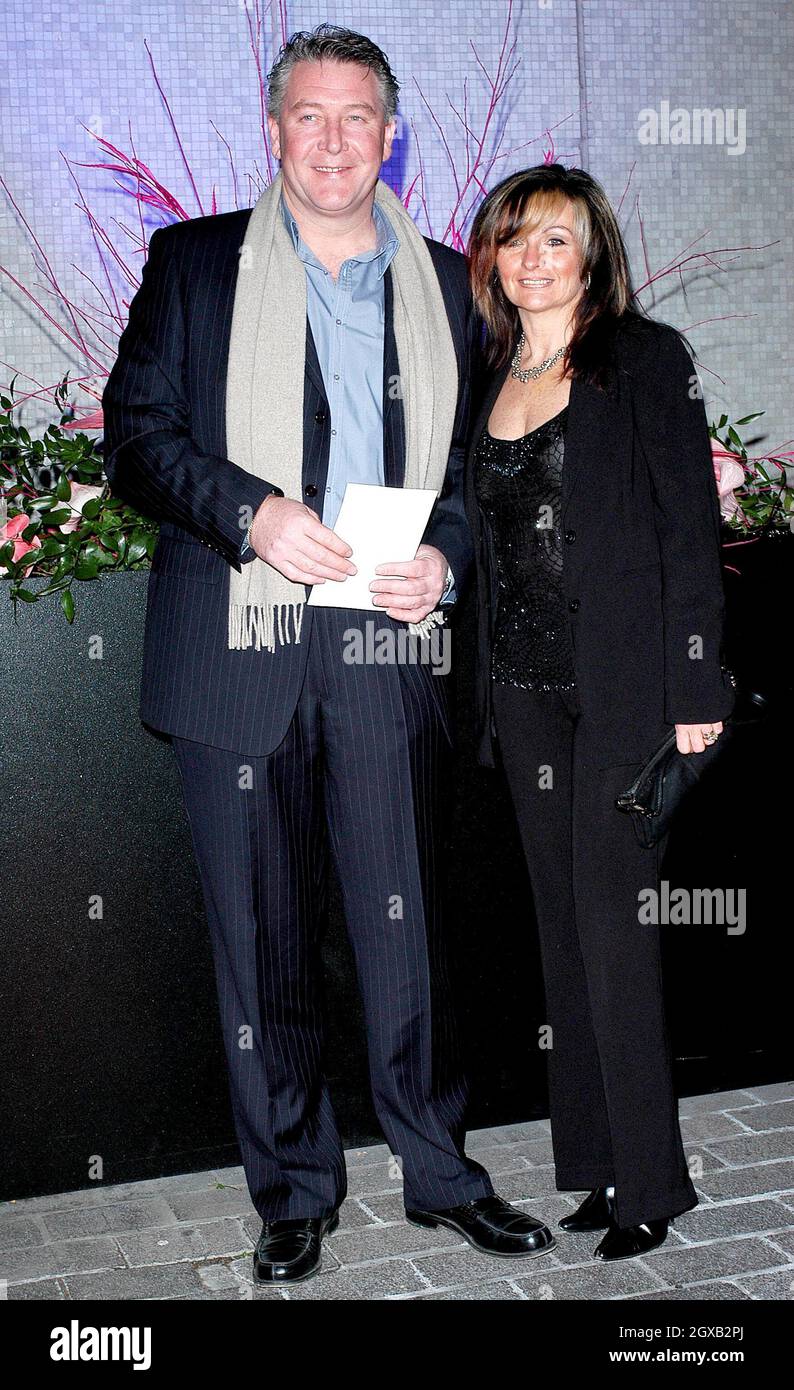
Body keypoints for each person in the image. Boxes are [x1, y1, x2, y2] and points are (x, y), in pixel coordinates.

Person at [102, 25, 555, 1287]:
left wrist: (448, 560)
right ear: (273, 130)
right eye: (310, 114)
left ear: (389, 134)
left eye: (360, 116)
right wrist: (248, 510)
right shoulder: (192, 266)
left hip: (385, 638)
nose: (335, 138)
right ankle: (293, 1190)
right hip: (236, 638)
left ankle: (440, 1174)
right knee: (262, 937)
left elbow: (483, 472)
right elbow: (132, 438)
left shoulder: (454, 282)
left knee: (403, 925)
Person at [464, 163, 736, 1260]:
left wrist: (692, 686)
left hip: (623, 690)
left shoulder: (641, 359)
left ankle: (652, 1186)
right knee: (560, 934)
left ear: (592, 257)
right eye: (515, 240)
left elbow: (686, 534)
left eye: (555, 241)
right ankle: (591, 1162)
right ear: (492, 256)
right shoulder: (489, 368)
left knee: (616, 937)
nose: (533, 259)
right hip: (524, 698)